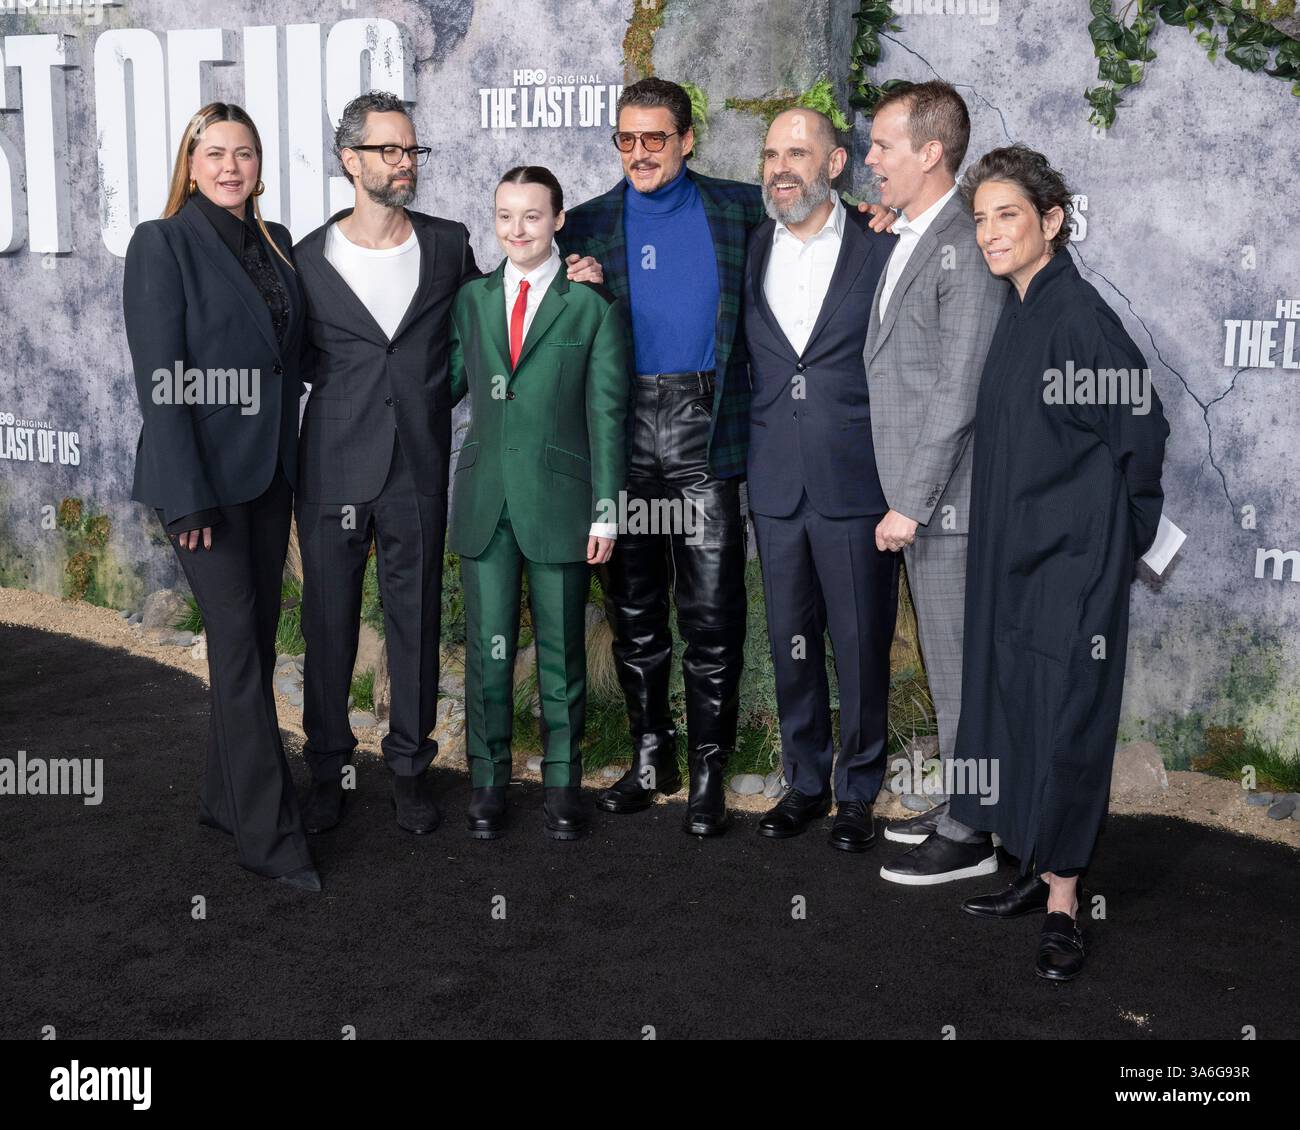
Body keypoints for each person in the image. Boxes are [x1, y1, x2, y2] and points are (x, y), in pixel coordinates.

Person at [292, 92, 603, 837]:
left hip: (421, 468)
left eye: (411, 151)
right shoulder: (306, 257)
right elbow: (297, 361)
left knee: (417, 621)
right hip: (332, 466)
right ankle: (330, 770)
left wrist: (573, 279)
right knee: (328, 624)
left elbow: (488, 333)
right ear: (350, 160)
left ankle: (409, 770)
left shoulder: (446, 244)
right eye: (388, 151)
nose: (404, 164)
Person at [949, 145, 1169, 981]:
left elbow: (1141, 432)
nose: (991, 233)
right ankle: (1030, 865)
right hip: (1016, 560)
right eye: (980, 220)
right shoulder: (1020, 305)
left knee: (1069, 720)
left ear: (1051, 221)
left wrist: (1125, 533)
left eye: (1009, 215)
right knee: (1018, 710)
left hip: (1072, 566)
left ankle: (1066, 904)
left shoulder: (1077, 316)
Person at [555, 77, 764, 835]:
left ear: (686, 139)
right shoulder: (583, 223)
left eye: (655, 138)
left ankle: (709, 770)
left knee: (712, 616)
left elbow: (821, 239)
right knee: (634, 613)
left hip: (707, 438)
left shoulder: (742, 209)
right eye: (626, 139)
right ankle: (653, 756)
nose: (639, 153)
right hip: (624, 442)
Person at [123, 102, 319, 891]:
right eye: (215, 153)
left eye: (243, 153)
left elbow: (292, 358)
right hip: (201, 485)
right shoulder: (161, 243)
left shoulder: (276, 245)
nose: (230, 166)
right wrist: (189, 499)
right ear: (190, 164)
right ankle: (270, 837)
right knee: (239, 652)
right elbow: (159, 380)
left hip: (269, 474)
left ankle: (220, 796)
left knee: (255, 646)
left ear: (258, 165)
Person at [447, 166, 630, 840]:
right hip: (484, 500)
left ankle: (561, 785)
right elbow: (441, 380)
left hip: (560, 503)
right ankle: (488, 782)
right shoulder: (471, 300)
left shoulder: (591, 307)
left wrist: (606, 510)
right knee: (488, 654)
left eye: (531, 216)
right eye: (504, 216)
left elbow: (607, 416)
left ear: (557, 221)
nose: (516, 230)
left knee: (562, 655)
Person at [861, 81, 1008, 885]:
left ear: (930, 152)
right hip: (929, 500)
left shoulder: (963, 239)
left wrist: (911, 503)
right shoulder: (918, 232)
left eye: (883, 145)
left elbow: (958, 388)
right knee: (949, 664)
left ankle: (973, 833)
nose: (871, 159)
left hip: (949, 503)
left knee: (960, 668)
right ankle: (962, 805)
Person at [743, 108, 899, 851]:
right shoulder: (749, 248)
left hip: (856, 482)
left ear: (836, 164)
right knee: (790, 641)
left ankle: (858, 794)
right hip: (774, 483)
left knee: (862, 645)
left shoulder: (881, 244)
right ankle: (804, 784)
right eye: (772, 152)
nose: (781, 166)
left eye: (797, 152)